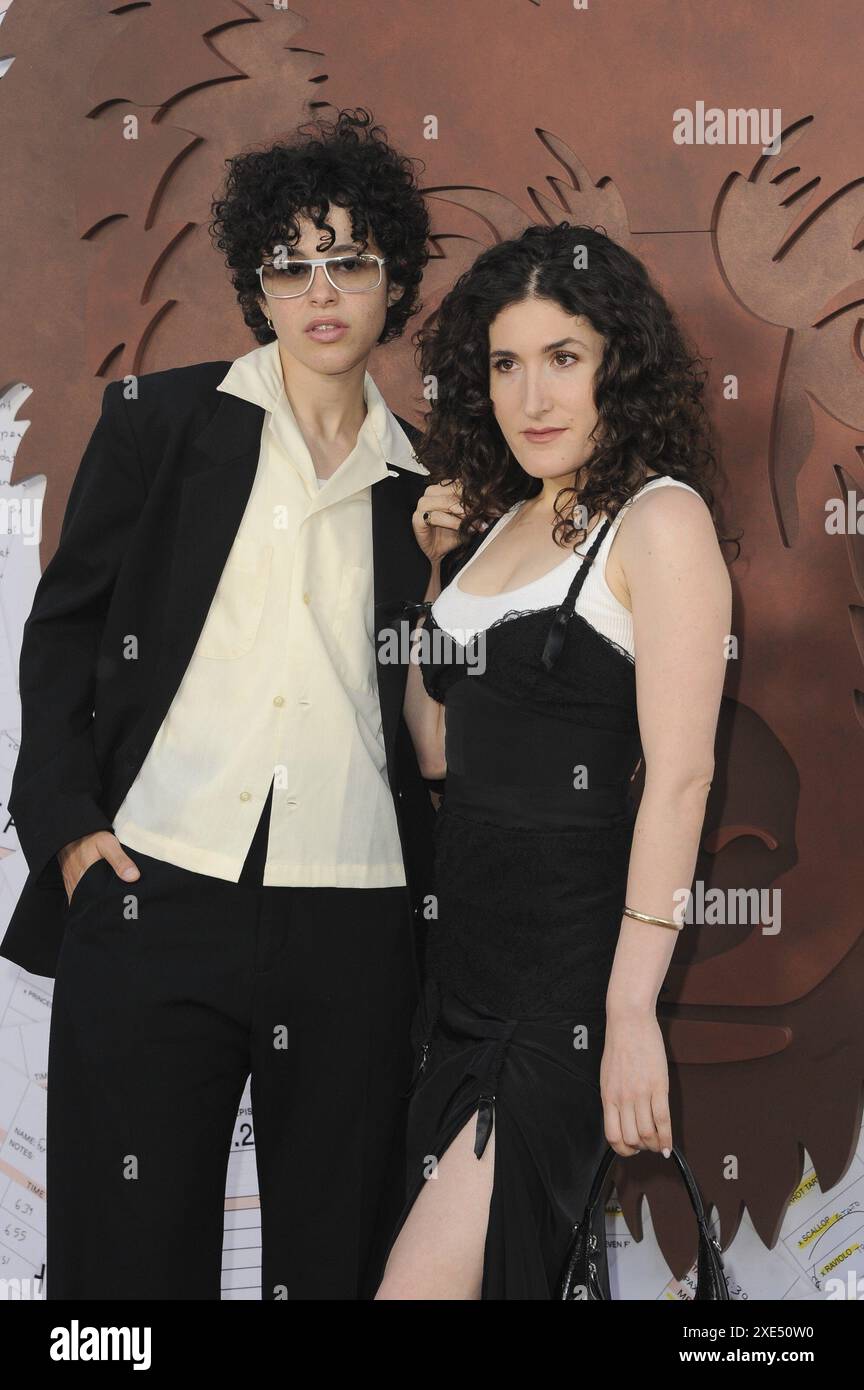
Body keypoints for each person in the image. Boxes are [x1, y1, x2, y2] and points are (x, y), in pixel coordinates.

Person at [2, 108, 439, 1300]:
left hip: (357, 915)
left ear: (391, 274)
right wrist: (70, 831)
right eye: (289, 265)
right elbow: (64, 632)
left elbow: (444, 710)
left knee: (340, 1259)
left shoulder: (437, 482)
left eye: (347, 258)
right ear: (257, 283)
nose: (320, 291)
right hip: (155, 895)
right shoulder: (162, 423)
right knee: (122, 1273)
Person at [375, 221, 734, 1300]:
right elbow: (436, 751)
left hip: (563, 998)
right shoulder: (494, 531)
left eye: (563, 358)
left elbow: (680, 779)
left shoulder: (660, 520)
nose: (532, 395)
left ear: (616, 363)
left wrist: (628, 1014)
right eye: (505, 363)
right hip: (457, 994)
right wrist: (434, 578)